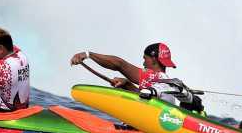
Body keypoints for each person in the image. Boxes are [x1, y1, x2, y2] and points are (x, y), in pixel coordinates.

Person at [69, 43, 199, 109]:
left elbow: (119, 64)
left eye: (145, 59)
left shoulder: (153, 76)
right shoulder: (164, 81)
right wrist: (128, 85)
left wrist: (87, 54)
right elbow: (150, 102)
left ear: (154, 60)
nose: (143, 63)